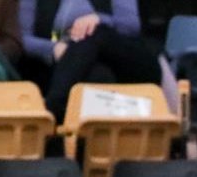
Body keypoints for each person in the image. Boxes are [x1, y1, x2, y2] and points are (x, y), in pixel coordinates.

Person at [17, 0, 175, 120]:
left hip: (125, 58)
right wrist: (53, 49)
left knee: (93, 34)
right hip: (71, 66)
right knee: (99, 76)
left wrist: (98, 19)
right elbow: (21, 38)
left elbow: (131, 26)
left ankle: (51, 108)